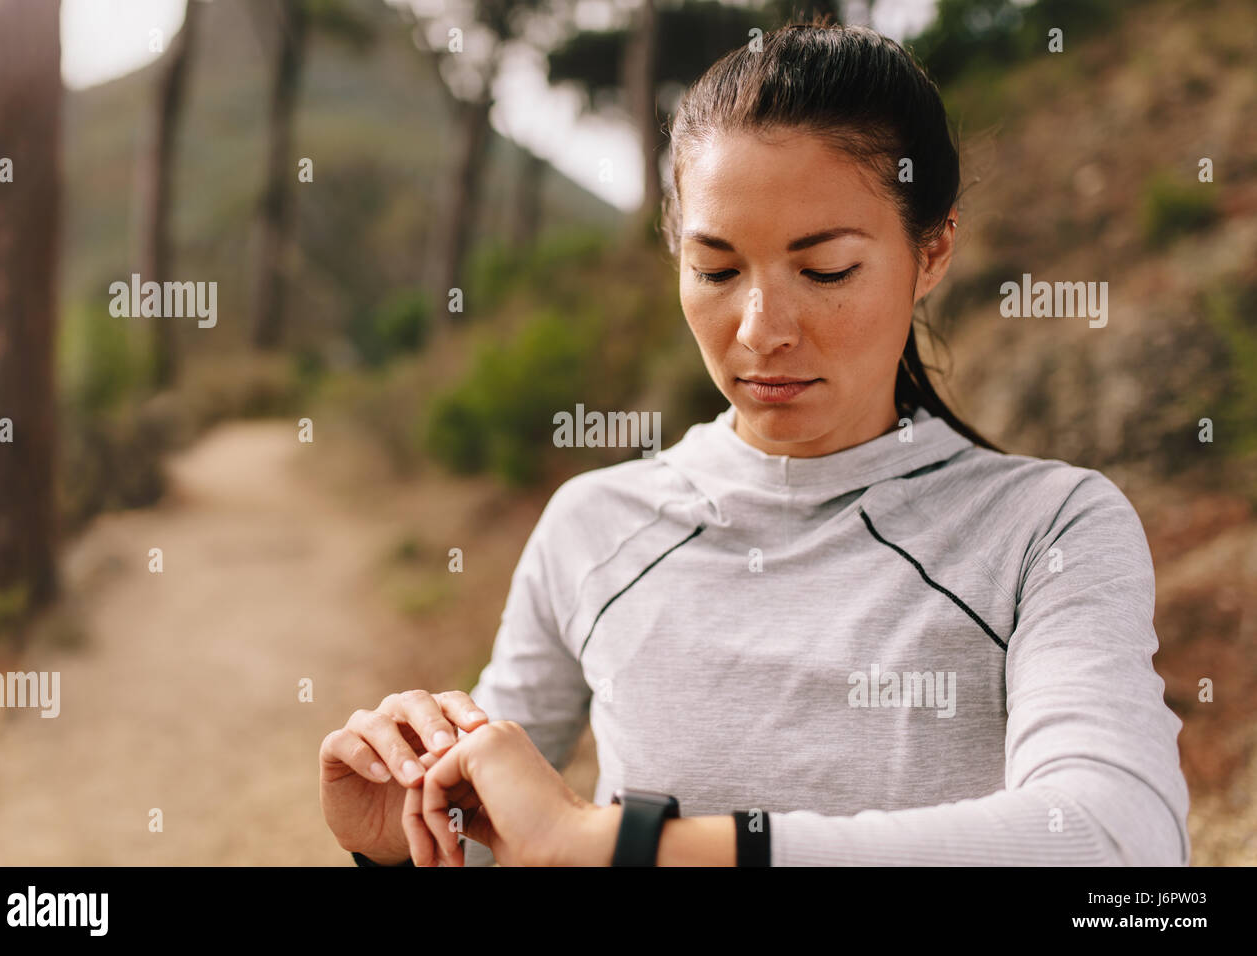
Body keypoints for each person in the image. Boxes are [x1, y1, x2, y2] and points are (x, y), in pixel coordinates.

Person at [319, 18, 1190, 867]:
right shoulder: (595, 524)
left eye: (826, 270)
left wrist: (629, 849)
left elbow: (1118, 844)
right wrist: (404, 837)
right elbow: (490, 835)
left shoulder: (1048, 531)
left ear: (933, 249)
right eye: (717, 271)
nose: (762, 330)